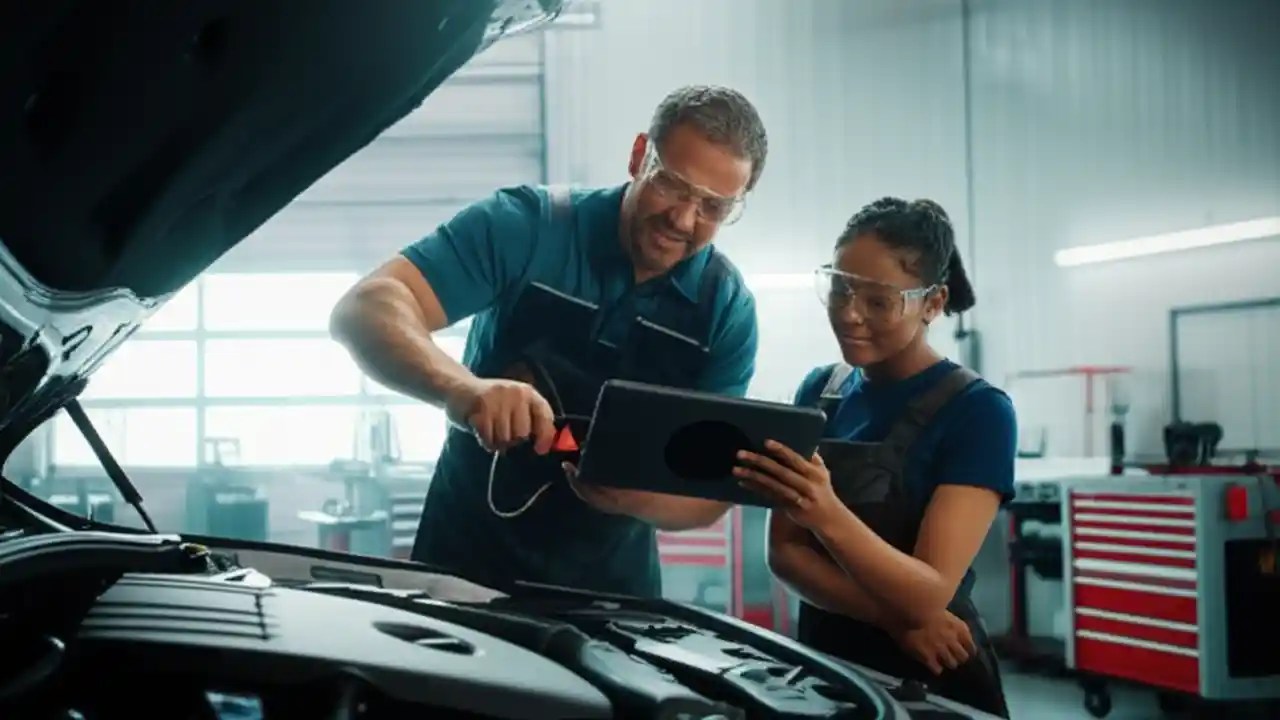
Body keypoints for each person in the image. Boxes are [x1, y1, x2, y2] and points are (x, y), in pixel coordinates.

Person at [330, 85, 768, 598]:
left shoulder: (725, 311)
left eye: (714, 207)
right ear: (638, 156)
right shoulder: (526, 228)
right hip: (460, 569)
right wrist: (463, 389)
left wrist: (634, 498)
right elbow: (367, 307)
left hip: (611, 596)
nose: (683, 219)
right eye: (672, 184)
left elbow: (710, 493)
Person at [733, 197, 1014, 717]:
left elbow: (928, 595)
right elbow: (785, 553)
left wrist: (825, 514)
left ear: (933, 303)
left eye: (879, 302)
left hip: (933, 678)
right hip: (828, 669)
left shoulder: (978, 412)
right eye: (840, 288)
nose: (849, 313)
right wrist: (892, 619)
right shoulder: (819, 392)